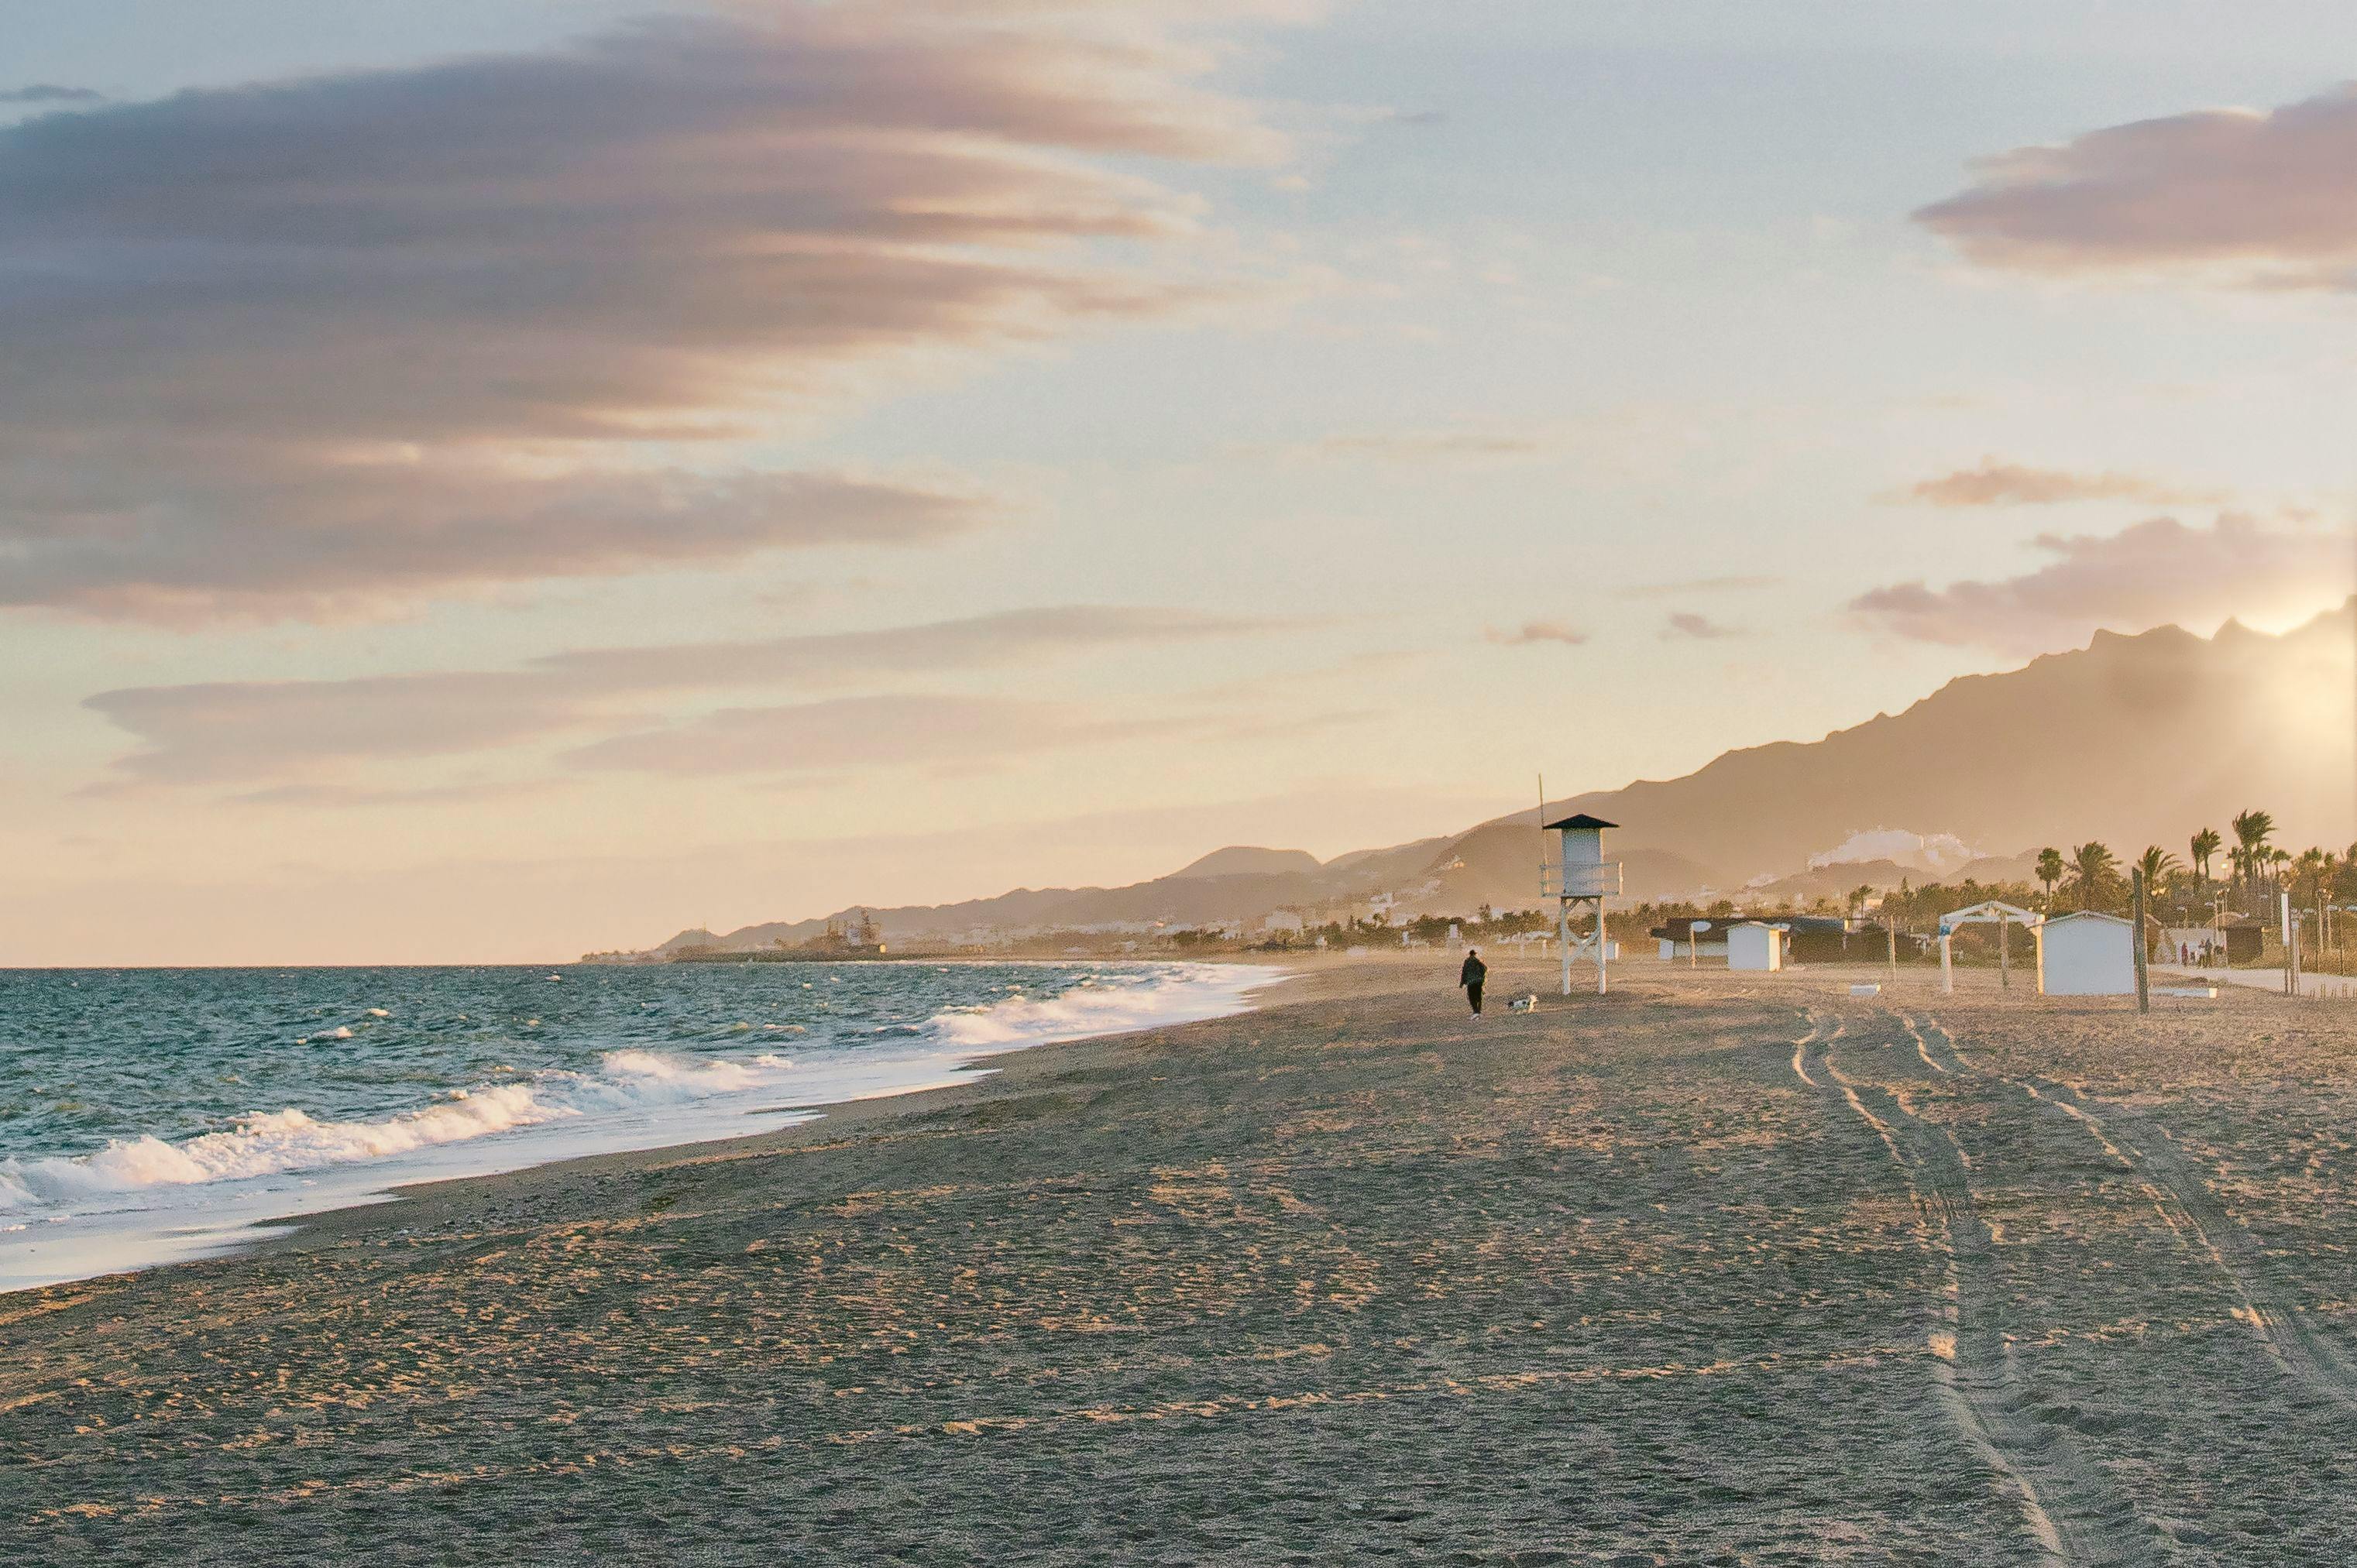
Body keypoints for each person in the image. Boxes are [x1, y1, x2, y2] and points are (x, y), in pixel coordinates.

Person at [1459, 947, 1487, 1015]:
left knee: (1471, 996)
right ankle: (1479, 1010)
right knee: (1478, 996)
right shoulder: (1478, 961)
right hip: (1479, 981)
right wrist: (1482, 977)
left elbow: (1464, 972)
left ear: (1470, 954)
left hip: (1470, 982)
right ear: (1475, 954)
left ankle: (1475, 1010)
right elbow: (1485, 968)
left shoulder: (1467, 961)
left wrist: (1462, 983)